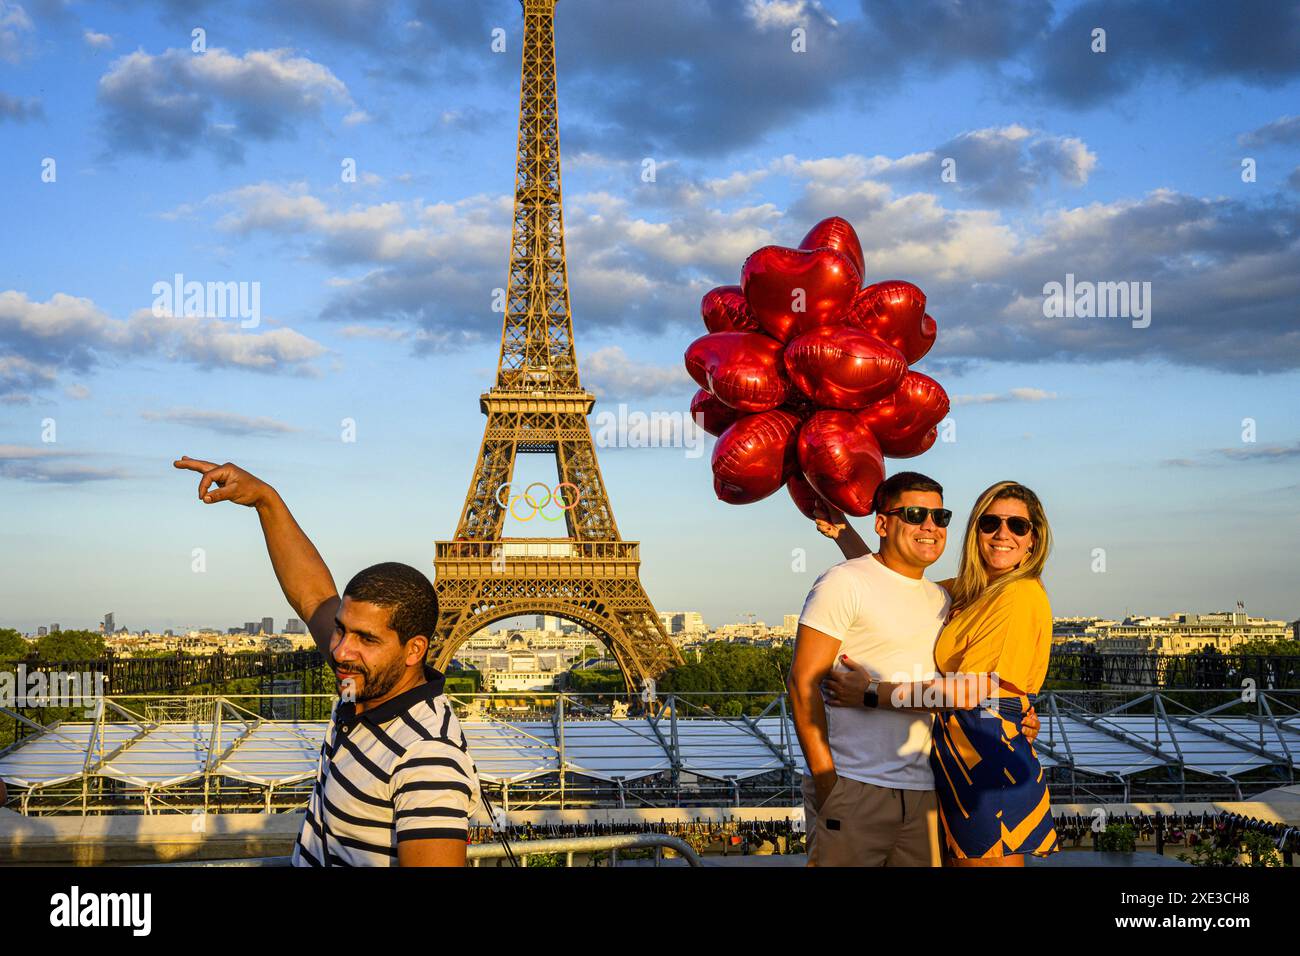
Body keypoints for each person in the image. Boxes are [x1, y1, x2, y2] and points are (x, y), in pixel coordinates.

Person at [172, 456, 480, 867]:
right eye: (341, 629)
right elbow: (314, 596)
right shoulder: (362, 685)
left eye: (365, 638)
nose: (339, 651)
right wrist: (265, 500)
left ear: (414, 650)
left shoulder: (428, 758)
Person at [822, 480, 1059, 865]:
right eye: (990, 523)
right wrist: (844, 532)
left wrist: (870, 693)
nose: (1003, 534)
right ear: (975, 531)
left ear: (1034, 539)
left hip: (988, 765)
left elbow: (969, 692)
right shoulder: (973, 592)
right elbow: (895, 585)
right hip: (959, 763)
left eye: (1018, 526)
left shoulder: (1020, 595)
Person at [787, 471, 954, 867]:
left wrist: (1017, 709)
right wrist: (828, 782)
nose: (929, 526)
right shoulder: (842, 583)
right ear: (882, 523)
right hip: (854, 787)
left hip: (924, 793)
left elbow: (890, 586)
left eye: (940, 517)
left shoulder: (943, 597)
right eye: (914, 514)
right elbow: (802, 683)